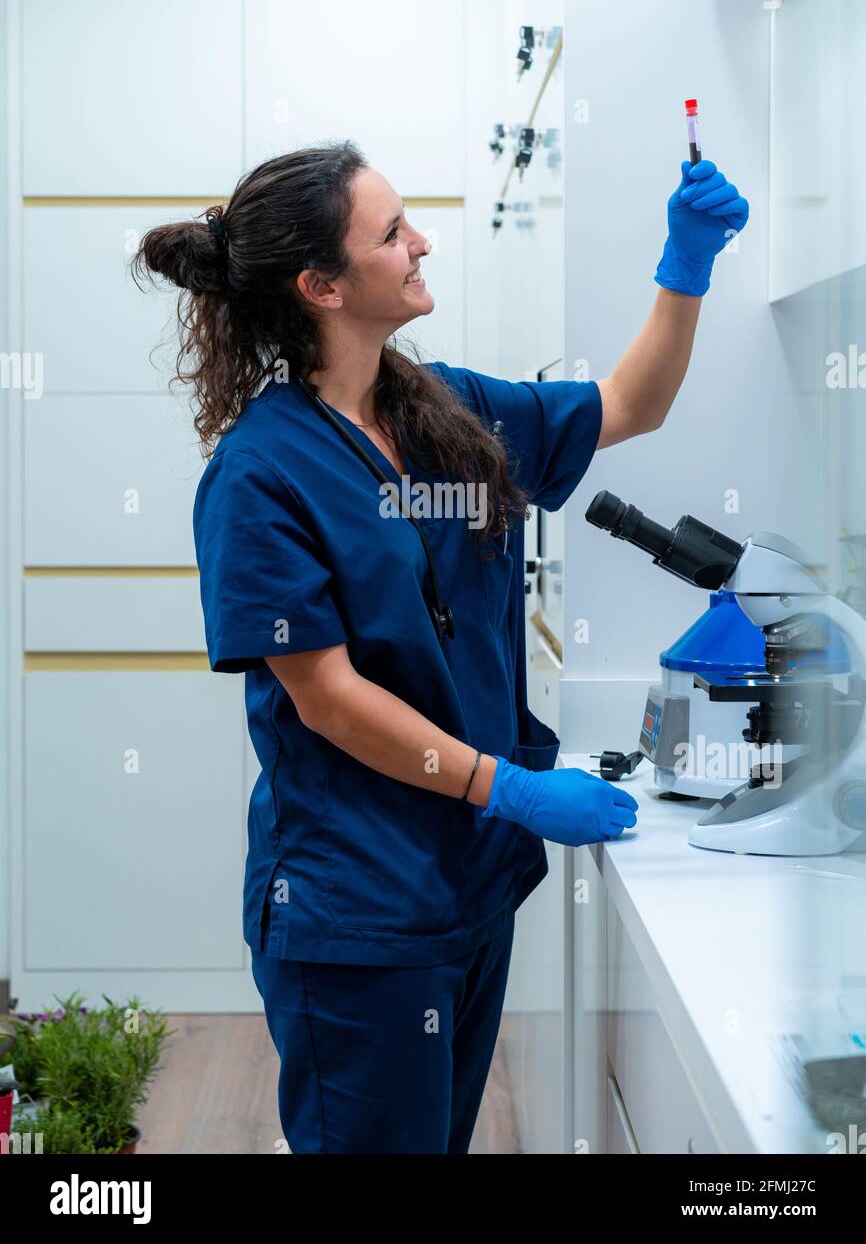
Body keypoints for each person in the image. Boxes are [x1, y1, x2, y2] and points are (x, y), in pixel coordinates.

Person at [132, 139, 748, 1153]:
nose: (421, 243)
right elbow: (325, 696)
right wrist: (504, 787)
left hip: (465, 889)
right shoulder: (258, 475)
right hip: (357, 908)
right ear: (320, 285)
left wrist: (684, 262)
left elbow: (631, 403)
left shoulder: (445, 408)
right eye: (391, 233)